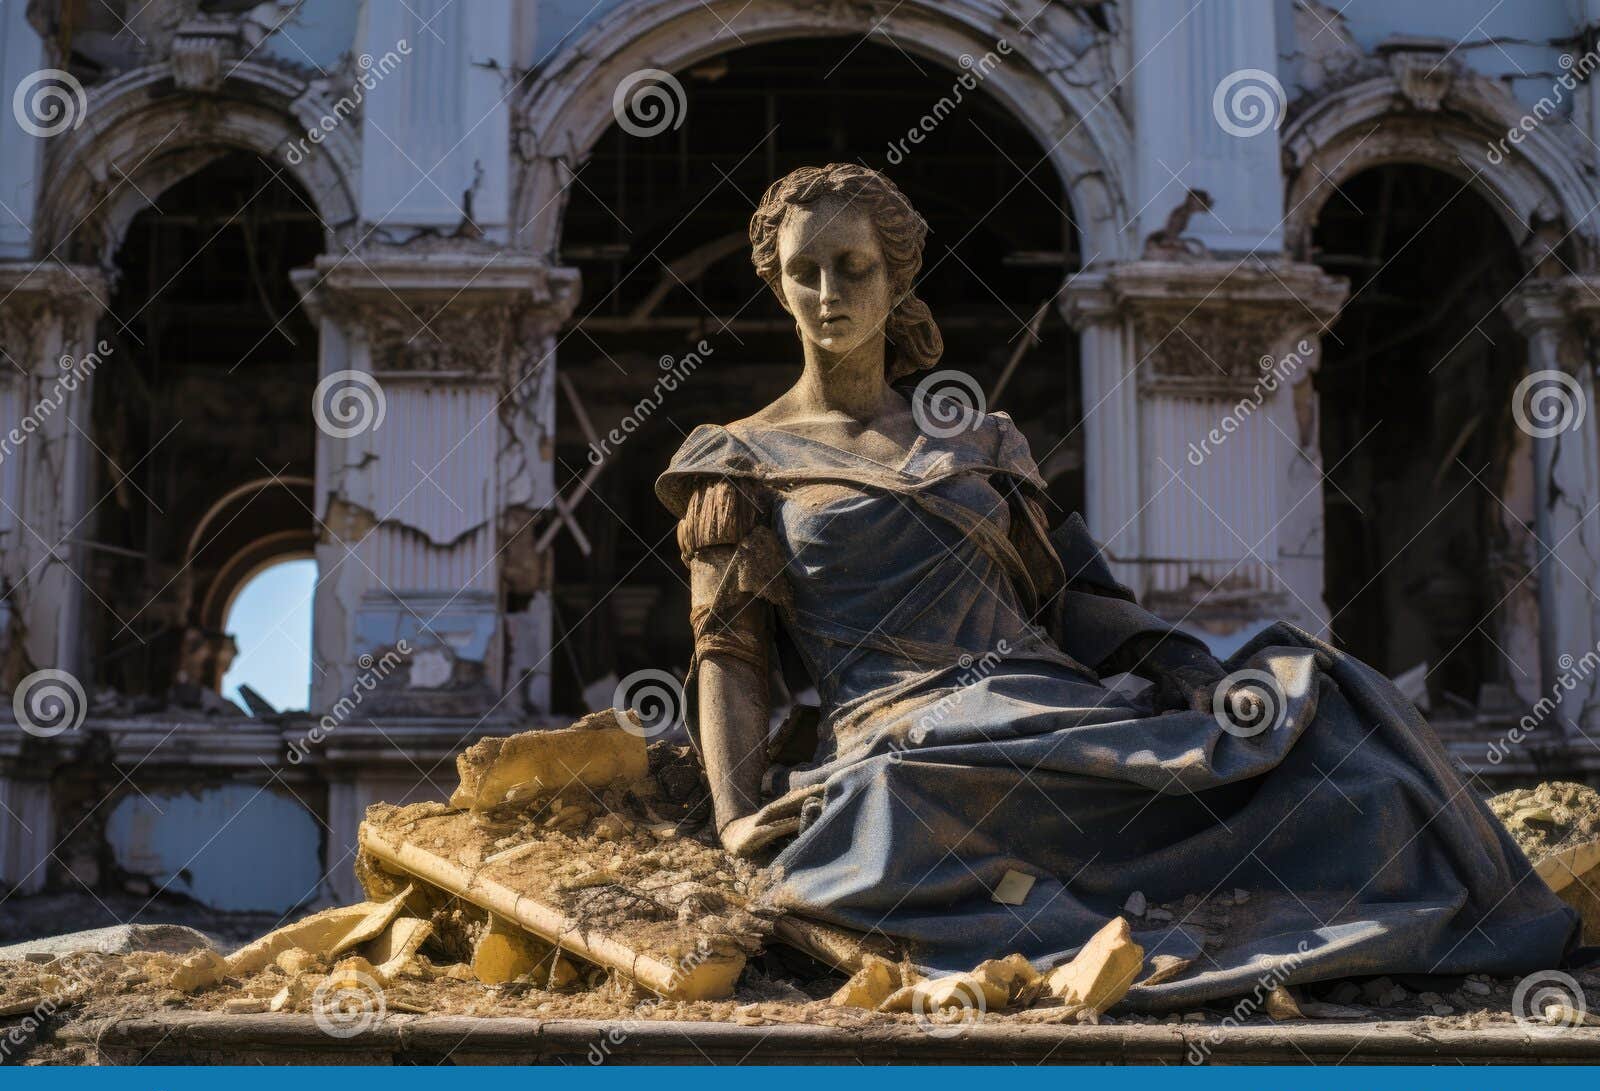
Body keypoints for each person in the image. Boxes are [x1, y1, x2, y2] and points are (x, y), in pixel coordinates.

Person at [655, 163, 1578, 1007]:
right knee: (884, 814)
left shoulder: (982, 441)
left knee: (1335, 728)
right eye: (803, 270)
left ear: (897, 276)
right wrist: (737, 820)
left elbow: (1074, 601)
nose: (828, 293)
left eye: (852, 265)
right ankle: (1114, 934)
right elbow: (728, 651)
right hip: (905, 740)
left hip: (1055, 708)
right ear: (775, 282)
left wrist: (1190, 670)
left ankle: (1299, 921)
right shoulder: (739, 460)